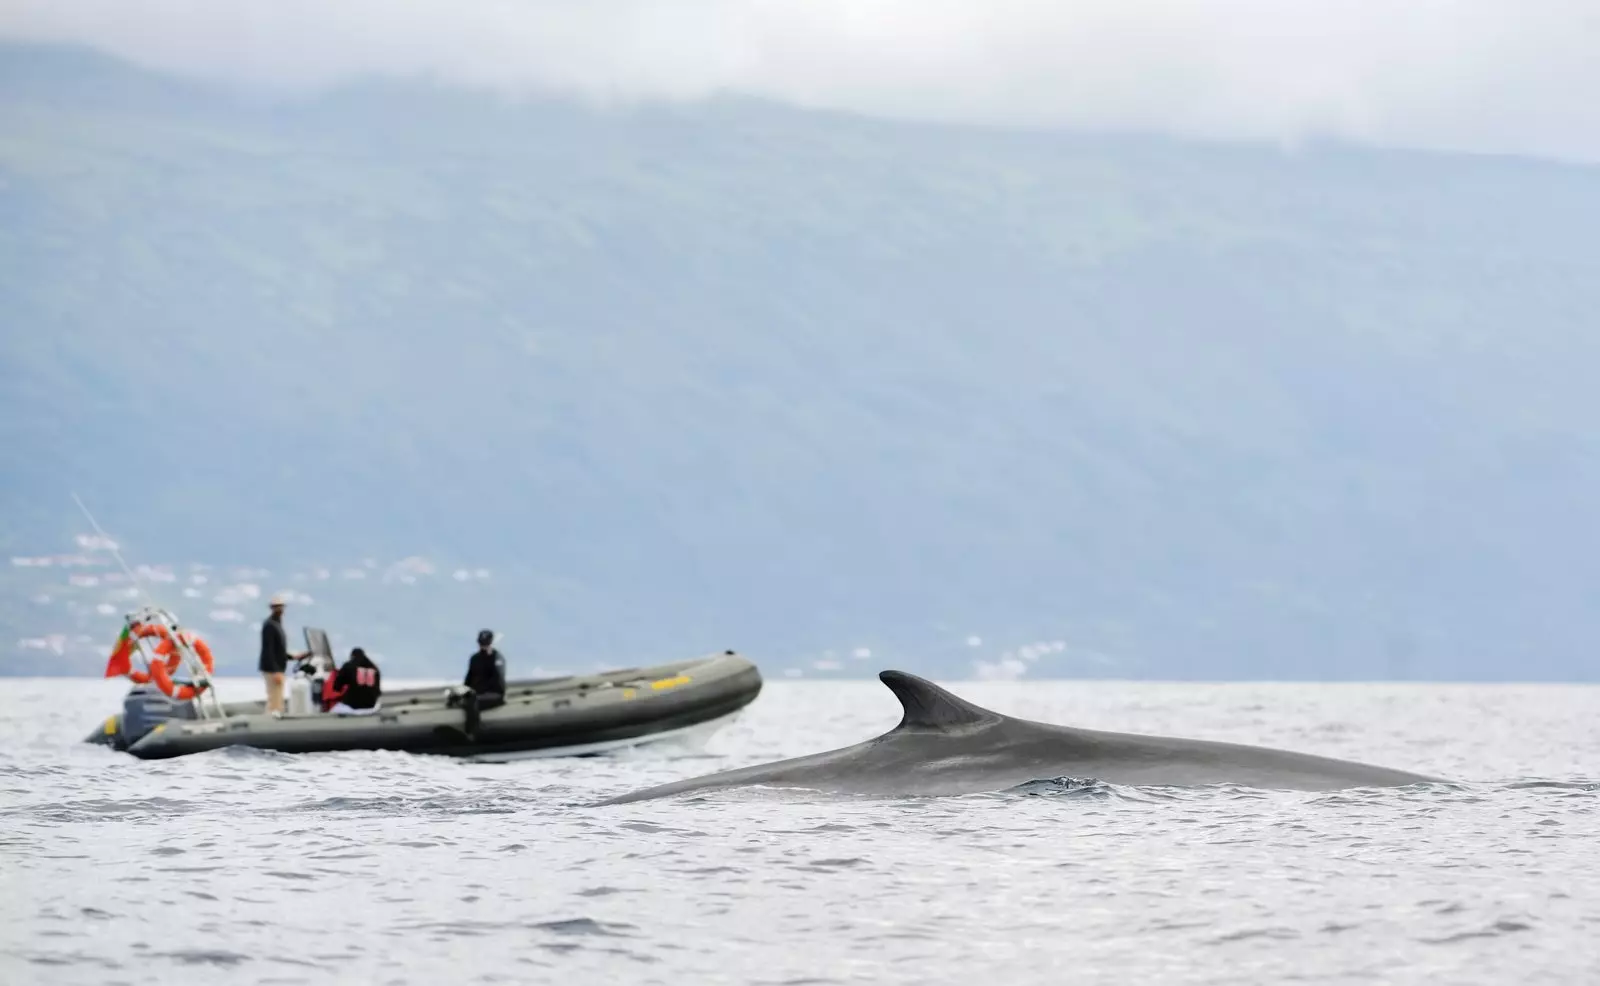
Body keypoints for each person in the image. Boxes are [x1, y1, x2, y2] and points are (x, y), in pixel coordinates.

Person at [258, 595, 308, 715]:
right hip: (272, 669)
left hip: (278, 667)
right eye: (276, 607)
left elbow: (278, 649)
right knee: (274, 700)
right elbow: (269, 649)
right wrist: (275, 671)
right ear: (272, 608)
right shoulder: (270, 625)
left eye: (281, 607)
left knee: (278, 698)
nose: (279, 609)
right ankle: (270, 723)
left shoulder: (277, 624)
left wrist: (293, 657)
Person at [454, 629, 506, 737]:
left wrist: (478, 692)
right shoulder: (475, 659)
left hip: (494, 694)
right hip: (477, 694)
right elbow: (468, 679)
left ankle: (472, 732)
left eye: (486, 643)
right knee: (465, 699)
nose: (483, 646)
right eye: (481, 643)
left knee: (474, 700)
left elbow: (498, 681)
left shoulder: (497, 658)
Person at [323, 647, 382, 715]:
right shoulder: (375, 668)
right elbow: (378, 691)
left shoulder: (348, 665)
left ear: (352, 656)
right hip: (371, 706)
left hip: (353, 706)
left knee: (333, 710)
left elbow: (337, 687)